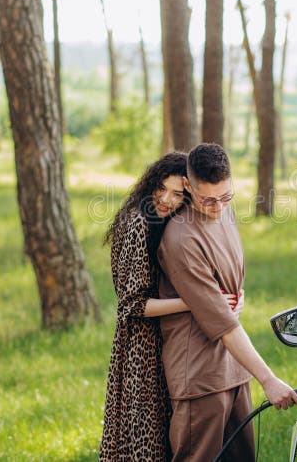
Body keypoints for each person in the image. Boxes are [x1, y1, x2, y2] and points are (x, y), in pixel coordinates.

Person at [157, 143, 297, 461]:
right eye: (208, 199)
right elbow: (222, 323)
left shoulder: (224, 210)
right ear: (187, 186)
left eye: (226, 197)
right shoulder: (181, 241)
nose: (218, 207)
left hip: (234, 368)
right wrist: (269, 379)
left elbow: (228, 291)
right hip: (200, 378)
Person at [99, 152, 242, 461]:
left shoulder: (175, 222)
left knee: (173, 435)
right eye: (161, 188)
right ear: (151, 184)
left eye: (177, 193)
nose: (166, 199)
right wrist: (199, 302)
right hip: (141, 346)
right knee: (146, 443)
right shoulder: (139, 222)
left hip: (170, 338)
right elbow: (131, 306)